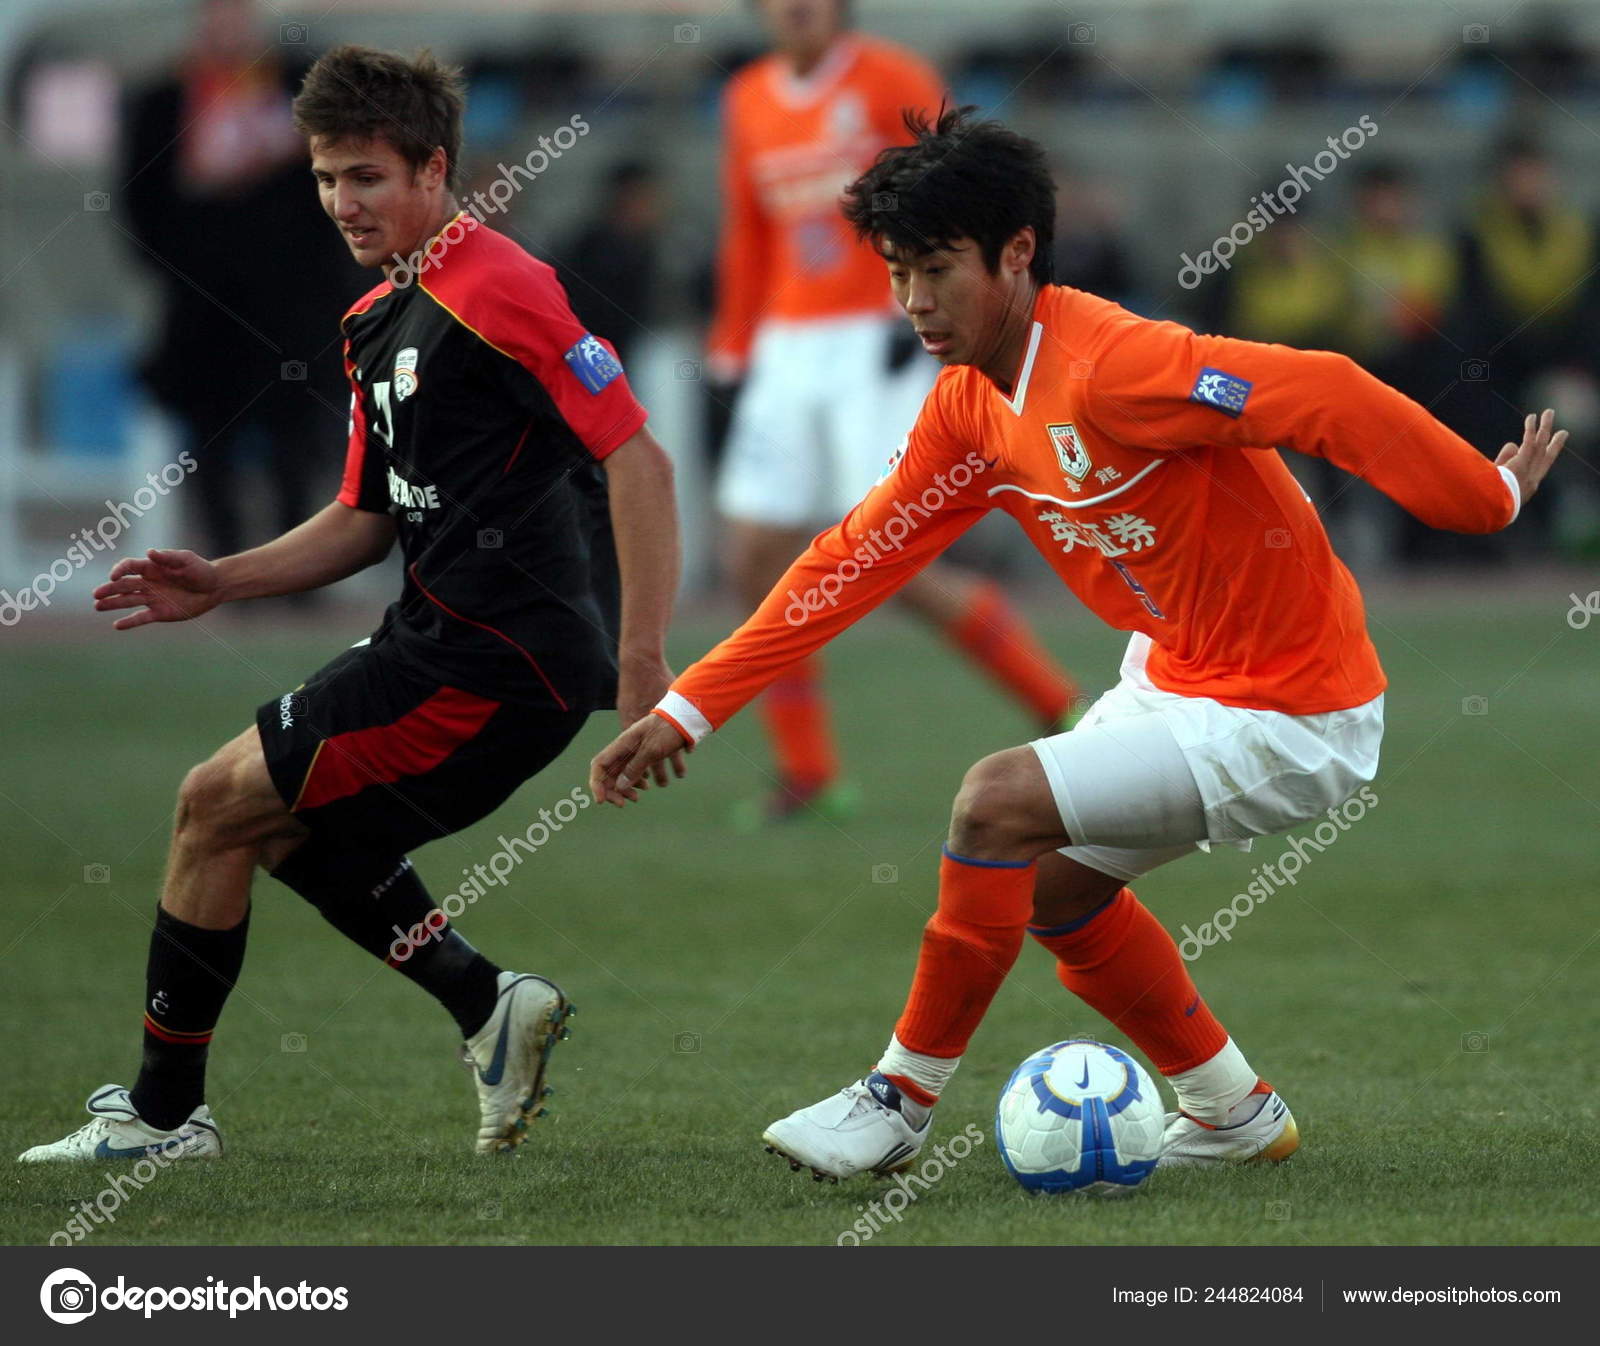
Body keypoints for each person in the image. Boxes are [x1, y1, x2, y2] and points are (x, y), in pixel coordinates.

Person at [589, 108, 1566, 1182]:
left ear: (1016, 252)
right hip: (1174, 674)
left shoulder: (1114, 365)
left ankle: (897, 1101)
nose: (914, 301)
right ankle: (1232, 1109)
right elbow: (848, 562)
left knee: (992, 800)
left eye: (938, 269)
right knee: (1051, 888)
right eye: (898, 271)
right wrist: (687, 706)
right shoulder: (966, 409)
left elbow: (1323, 387)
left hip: (1295, 706)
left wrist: (1486, 498)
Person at [21, 46, 681, 1163]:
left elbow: (639, 462)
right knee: (280, 830)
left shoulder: (503, 286)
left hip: (497, 662)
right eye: (327, 177)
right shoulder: (376, 314)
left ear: (434, 169)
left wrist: (644, 661)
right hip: (431, 639)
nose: (341, 202)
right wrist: (222, 579)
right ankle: (484, 1002)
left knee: (209, 803)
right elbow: (362, 518)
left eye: (366, 176)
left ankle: (163, 1118)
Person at [709, 0, 1080, 824]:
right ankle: (810, 773)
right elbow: (749, 228)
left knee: (890, 557)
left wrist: (917, 310)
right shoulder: (746, 99)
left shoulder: (892, 78)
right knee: (751, 556)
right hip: (785, 343)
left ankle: (1060, 706)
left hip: (878, 333)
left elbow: (958, 197)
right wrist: (732, 348)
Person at [121, 0, 363, 563]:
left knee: (300, 434)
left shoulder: (298, 88)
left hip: (294, 300)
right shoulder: (167, 99)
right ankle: (225, 563)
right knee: (209, 437)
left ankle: (295, 568)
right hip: (205, 302)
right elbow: (140, 203)